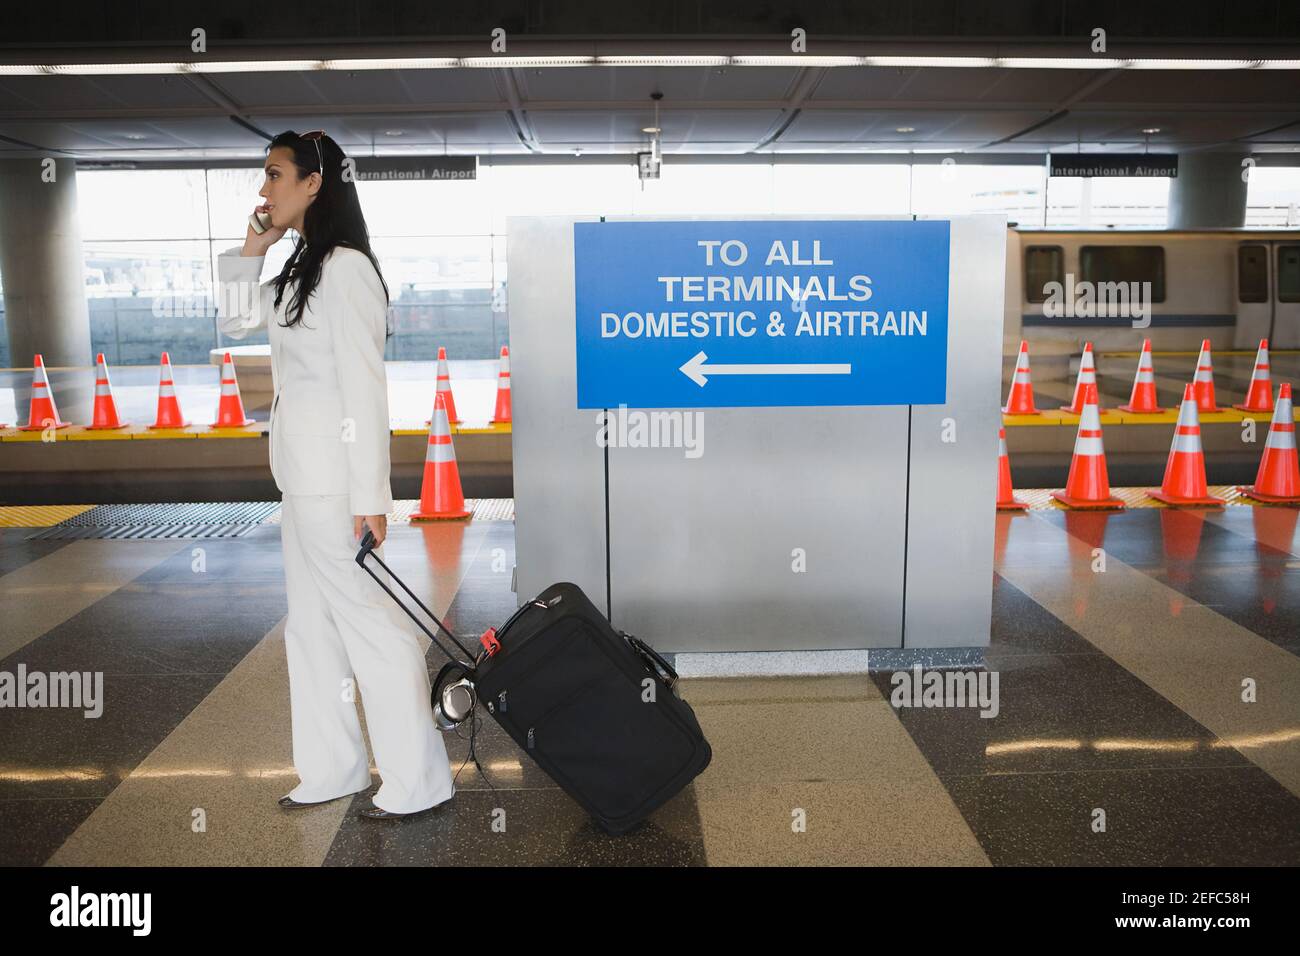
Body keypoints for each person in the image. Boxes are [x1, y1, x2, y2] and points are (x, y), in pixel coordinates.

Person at [216, 130, 455, 820]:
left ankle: (418, 779)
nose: (264, 191)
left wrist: (370, 497)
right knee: (311, 632)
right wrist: (254, 248)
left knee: (369, 629)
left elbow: (365, 387)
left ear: (314, 183)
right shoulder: (300, 266)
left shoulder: (347, 267)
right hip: (299, 479)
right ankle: (333, 768)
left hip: (333, 483)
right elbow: (234, 324)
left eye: (274, 176)